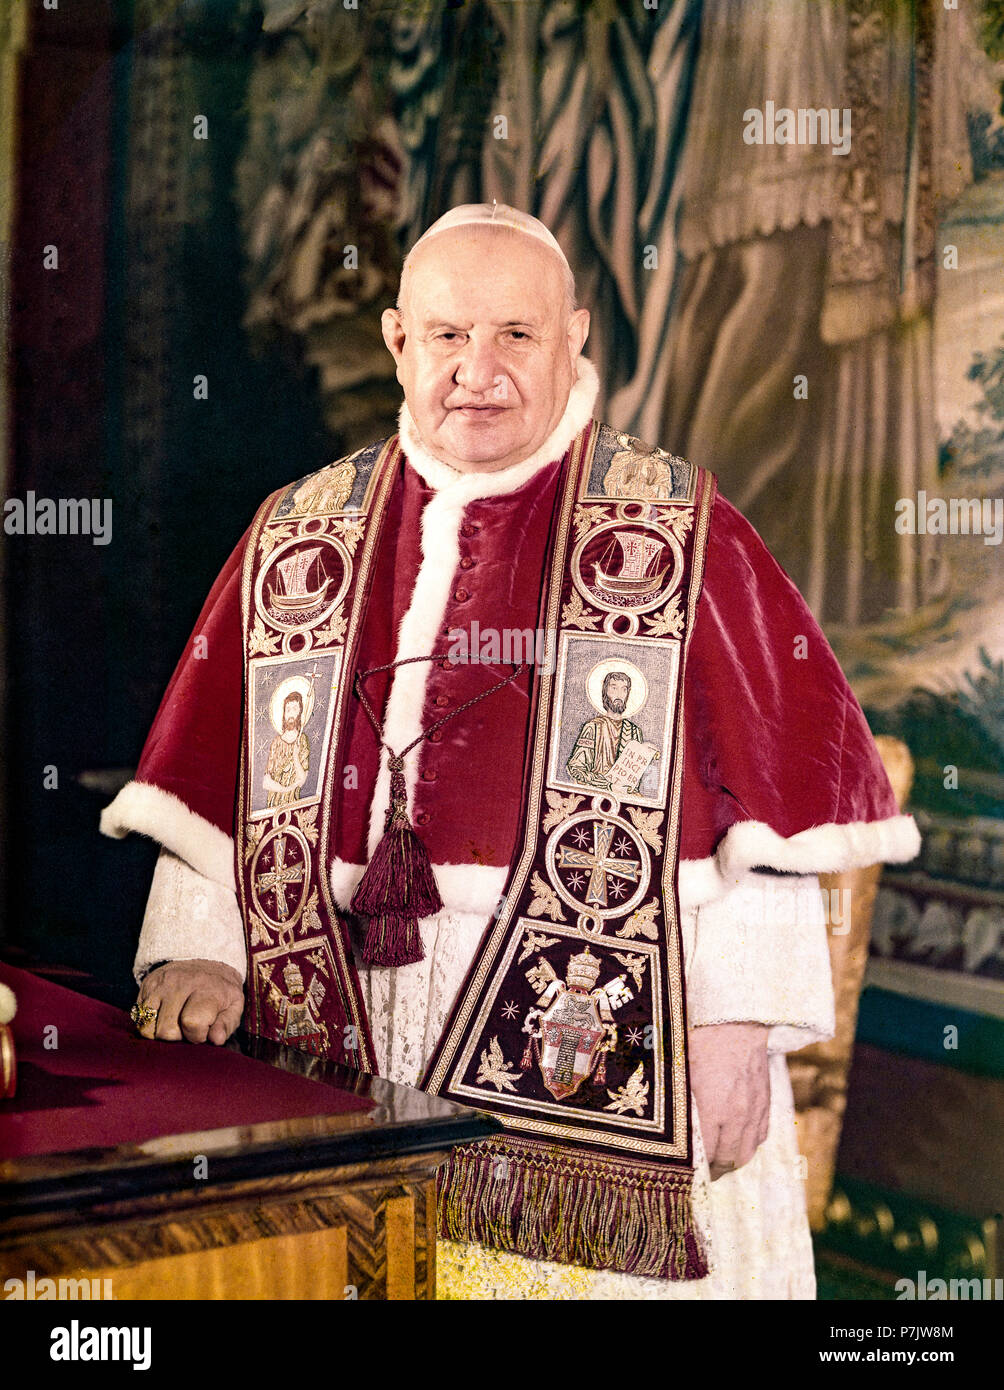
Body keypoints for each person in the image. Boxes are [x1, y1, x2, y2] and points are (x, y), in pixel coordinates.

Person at [102, 203, 919, 1298]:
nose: (475, 371)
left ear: (574, 336)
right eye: (446, 336)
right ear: (399, 341)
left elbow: (769, 815)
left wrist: (737, 1024)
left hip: (615, 1027)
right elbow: (216, 780)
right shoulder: (301, 533)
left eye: (515, 337)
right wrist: (199, 948)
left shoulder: (680, 533)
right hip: (346, 1014)